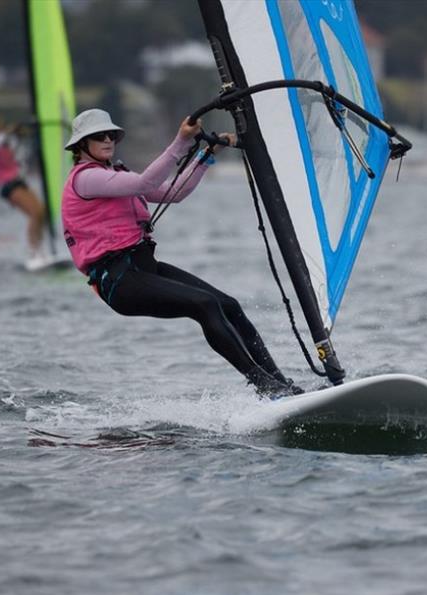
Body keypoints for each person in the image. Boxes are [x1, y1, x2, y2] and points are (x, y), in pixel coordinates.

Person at [61, 108, 303, 398]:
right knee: (205, 304)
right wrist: (181, 141)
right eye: (98, 136)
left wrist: (204, 155)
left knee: (229, 305)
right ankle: (264, 386)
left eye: (111, 134)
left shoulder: (113, 175)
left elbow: (172, 193)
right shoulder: (86, 179)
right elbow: (144, 184)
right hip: (119, 281)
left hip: (143, 269)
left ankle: (281, 384)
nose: (108, 139)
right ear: (81, 145)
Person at [0, 114, 49, 270]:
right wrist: (8, 131)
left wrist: (19, 134)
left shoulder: (0, 141)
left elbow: (13, 147)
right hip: (8, 186)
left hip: (18, 181)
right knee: (34, 214)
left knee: (41, 212)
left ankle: (40, 250)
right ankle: (34, 252)